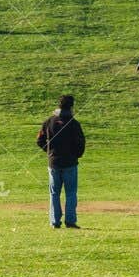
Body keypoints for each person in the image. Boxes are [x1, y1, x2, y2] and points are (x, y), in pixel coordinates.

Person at [37, 94, 85, 229]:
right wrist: (77, 155)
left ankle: (55, 221)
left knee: (54, 193)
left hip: (54, 163)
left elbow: (39, 140)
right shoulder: (74, 123)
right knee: (70, 193)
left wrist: (49, 151)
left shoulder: (49, 122)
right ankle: (70, 221)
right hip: (70, 163)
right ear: (71, 106)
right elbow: (81, 142)